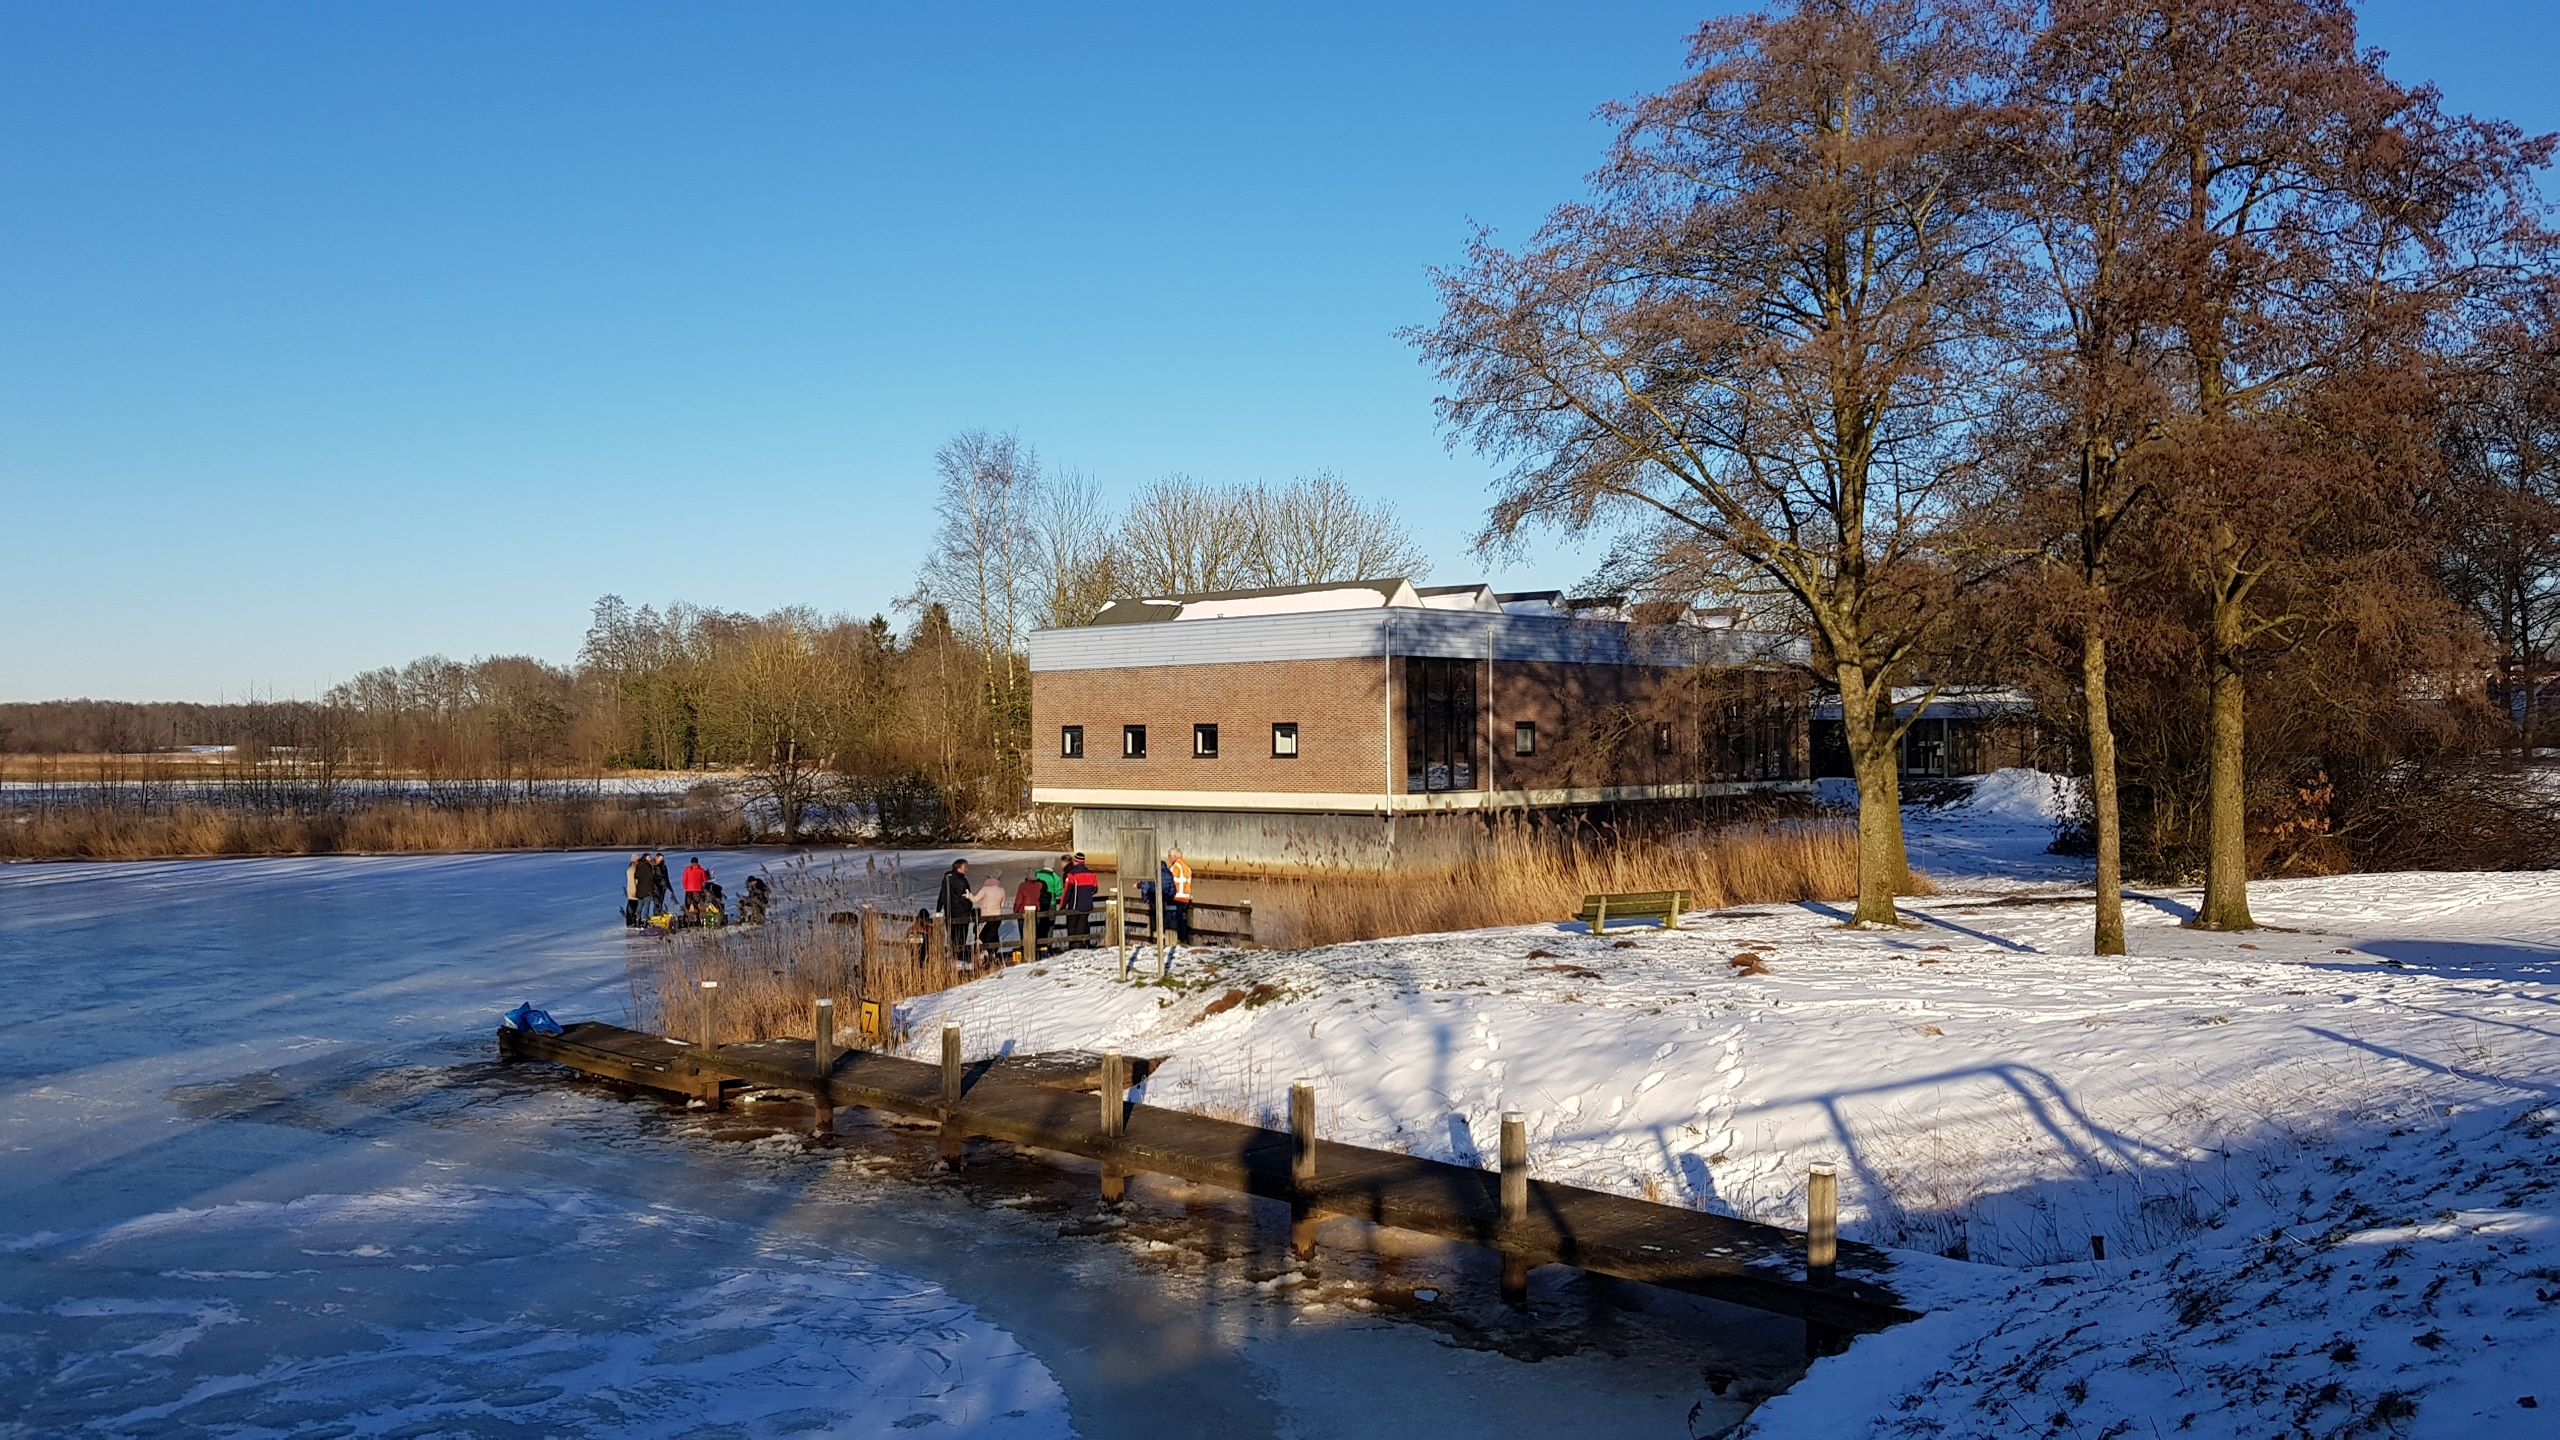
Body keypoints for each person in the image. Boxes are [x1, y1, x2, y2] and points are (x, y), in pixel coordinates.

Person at [936, 859, 975, 965]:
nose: (967, 869)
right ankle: (959, 957)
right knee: (961, 936)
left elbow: (942, 894)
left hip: (950, 912)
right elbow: (966, 895)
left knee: (953, 936)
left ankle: (955, 956)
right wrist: (968, 905)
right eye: (965, 867)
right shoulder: (960, 881)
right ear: (958, 868)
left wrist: (939, 909)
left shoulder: (947, 879)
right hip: (961, 912)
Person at [970, 872, 1009, 962]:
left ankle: (985, 953)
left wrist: (969, 895)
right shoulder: (1002, 890)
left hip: (986, 916)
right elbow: (1002, 905)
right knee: (994, 935)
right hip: (997, 917)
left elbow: (975, 899)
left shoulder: (985, 889)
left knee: (983, 936)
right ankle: (993, 953)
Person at [1062, 853, 1098, 944]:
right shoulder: (1091, 874)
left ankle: (1074, 946)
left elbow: (1067, 892)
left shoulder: (1072, 874)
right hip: (1087, 906)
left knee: (1072, 928)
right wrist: (1086, 895)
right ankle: (1081, 946)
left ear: (1075, 861)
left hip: (1075, 905)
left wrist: (1062, 905)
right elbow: (1095, 889)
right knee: (1082, 927)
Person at [1161, 849, 1194, 947]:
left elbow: (1168, 883)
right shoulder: (1187, 868)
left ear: (1174, 857)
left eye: (1169, 856)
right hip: (1185, 900)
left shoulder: (1174, 867)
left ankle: (1172, 944)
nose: (1168, 858)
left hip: (1175, 899)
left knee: (1172, 924)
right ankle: (1183, 941)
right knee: (1182, 922)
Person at [1013, 871, 1048, 960]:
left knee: (1023, 935)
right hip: (1036, 911)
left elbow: (1019, 900)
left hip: (1023, 912)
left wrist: (1016, 910)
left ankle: (1025, 954)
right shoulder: (1039, 885)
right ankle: (1035, 954)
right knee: (1035, 933)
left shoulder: (1022, 886)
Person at [646, 853, 673, 919]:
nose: (662, 860)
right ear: (657, 858)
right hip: (655, 887)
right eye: (660, 858)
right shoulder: (652, 865)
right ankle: (656, 915)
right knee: (656, 902)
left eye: (662, 859)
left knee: (660, 902)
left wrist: (670, 888)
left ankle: (659, 915)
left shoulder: (664, 867)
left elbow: (666, 878)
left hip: (663, 887)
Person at [622, 852, 645, 928]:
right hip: (634, 891)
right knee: (633, 907)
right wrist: (635, 891)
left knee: (634, 907)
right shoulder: (632, 869)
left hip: (633, 891)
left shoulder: (633, 868)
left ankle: (633, 921)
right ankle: (631, 922)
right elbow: (633, 881)